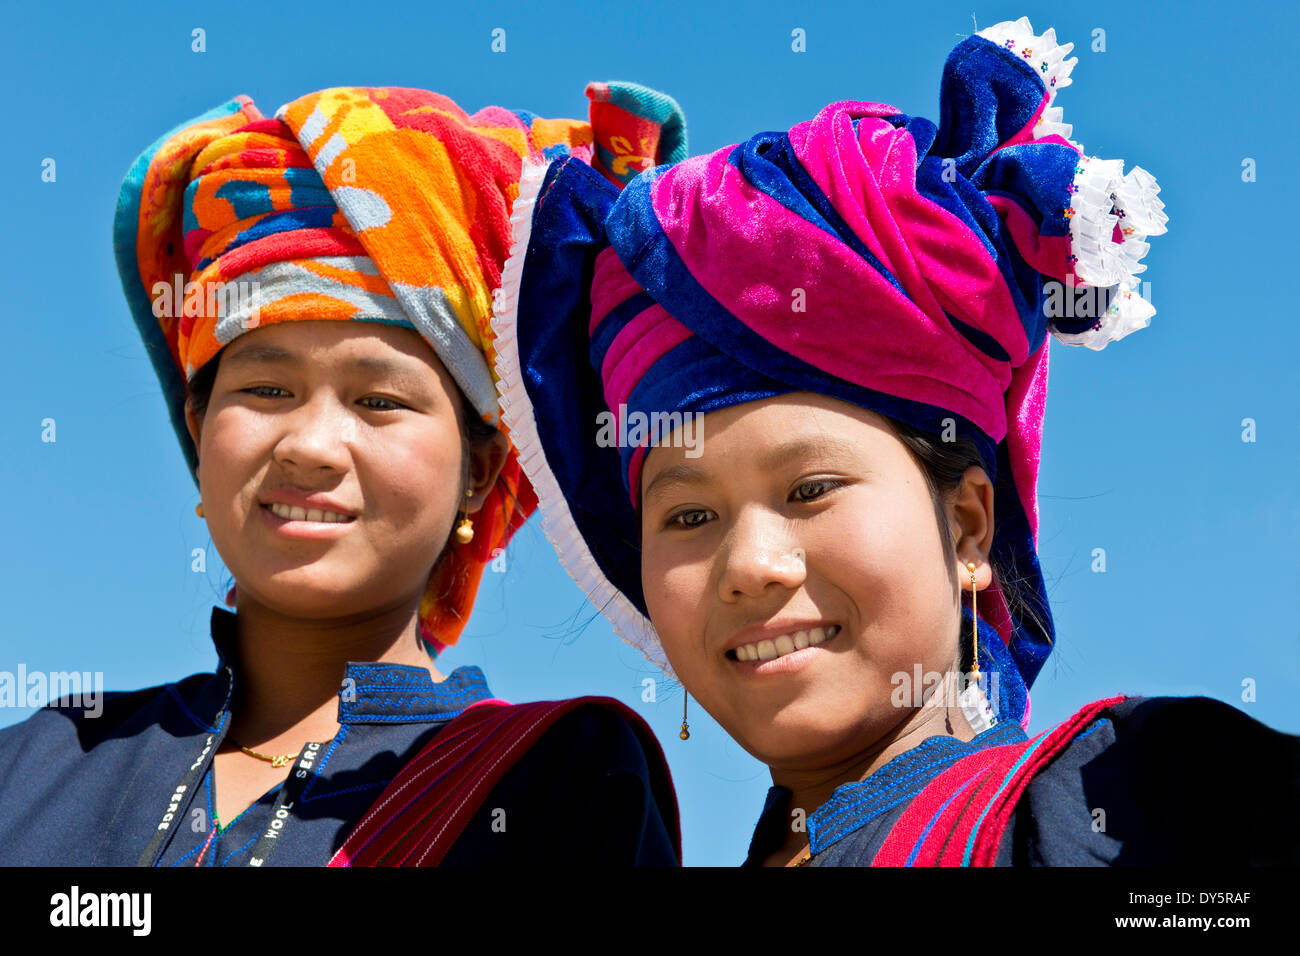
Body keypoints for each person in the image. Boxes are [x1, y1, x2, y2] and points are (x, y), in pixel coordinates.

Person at [491, 17, 1300, 865]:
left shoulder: (1151, 801)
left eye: (810, 490)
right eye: (689, 517)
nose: (749, 566)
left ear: (968, 528)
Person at [0, 83, 687, 866]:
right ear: (198, 432)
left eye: (378, 399)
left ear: (481, 471)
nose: (312, 446)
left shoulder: (557, 783)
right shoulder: (34, 767)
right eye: (266, 390)